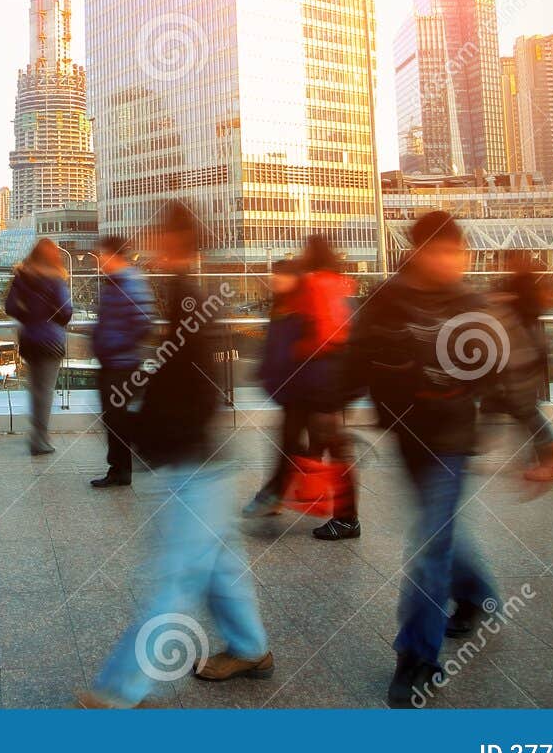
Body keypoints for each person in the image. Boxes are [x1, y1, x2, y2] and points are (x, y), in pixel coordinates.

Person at [79, 202, 273, 708]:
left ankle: (120, 689)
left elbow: (190, 385)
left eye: (157, 234)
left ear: (174, 241)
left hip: (194, 459)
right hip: (204, 454)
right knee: (221, 564)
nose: (149, 241)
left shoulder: (189, 298)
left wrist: (142, 426)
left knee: (179, 576)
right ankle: (250, 647)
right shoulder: (185, 292)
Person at [344, 211, 514, 707]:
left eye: (457, 252)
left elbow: (502, 370)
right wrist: (330, 407)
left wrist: (535, 436)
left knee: (429, 541)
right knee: (439, 531)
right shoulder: (387, 299)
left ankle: (417, 657)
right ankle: (477, 595)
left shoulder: (471, 303)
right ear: (418, 252)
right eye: (441, 251)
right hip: (406, 434)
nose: (452, 261)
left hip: (452, 437)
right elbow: (357, 358)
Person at [243, 236, 360, 539]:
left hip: (318, 380)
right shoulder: (340, 283)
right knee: (302, 440)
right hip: (327, 379)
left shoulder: (315, 283)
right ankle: (280, 495)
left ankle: (345, 518)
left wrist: (299, 351)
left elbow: (324, 334)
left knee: (328, 445)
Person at [488, 252, 553, 481]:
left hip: (523, 356)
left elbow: (529, 310)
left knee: (526, 410)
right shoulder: (525, 282)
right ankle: (540, 458)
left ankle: (549, 461)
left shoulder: (523, 284)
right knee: (524, 409)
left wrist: (505, 300)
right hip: (524, 355)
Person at [89, 234, 154, 488]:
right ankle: (119, 468)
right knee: (113, 417)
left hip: (121, 363)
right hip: (111, 361)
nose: (99, 260)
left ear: (113, 256)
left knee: (117, 418)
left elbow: (143, 322)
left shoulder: (130, 283)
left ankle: (123, 468)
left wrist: (114, 345)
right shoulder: (114, 282)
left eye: (102, 255)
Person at [4, 238, 72, 456]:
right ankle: (40, 440)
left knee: (35, 389)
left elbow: (10, 307)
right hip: (51, 341)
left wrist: (29, 318)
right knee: (46, 391)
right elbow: (66, 311)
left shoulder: (22, 276)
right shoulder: (56, 279)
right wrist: (51, 320)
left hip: (30, 340)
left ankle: (37, 435)